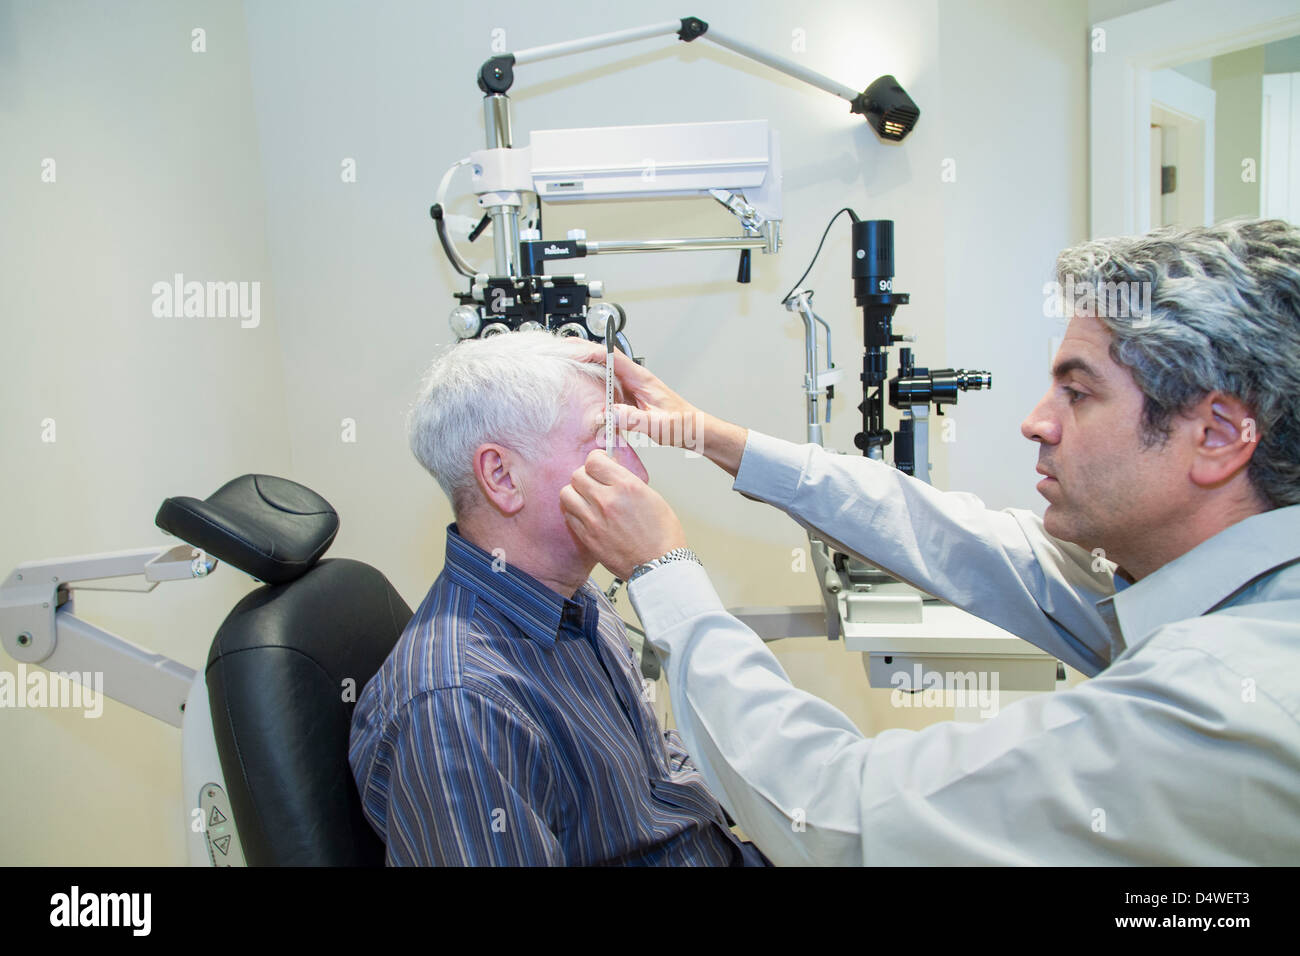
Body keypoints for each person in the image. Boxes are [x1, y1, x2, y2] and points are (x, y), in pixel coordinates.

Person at [559, 218, 1300, 865]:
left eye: (1078, 392)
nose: (1037, 422)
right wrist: (720, 440)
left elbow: (840, 817)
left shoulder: (1219, 699)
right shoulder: (1211, 586)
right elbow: (961, 540)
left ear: (1218, 436)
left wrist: (664, 573)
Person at [349, 330, 767, 866]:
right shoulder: (459, 706)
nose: (639, 473)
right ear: (501, 476)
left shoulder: (576, 599)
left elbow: (651, 769)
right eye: (605, 436)